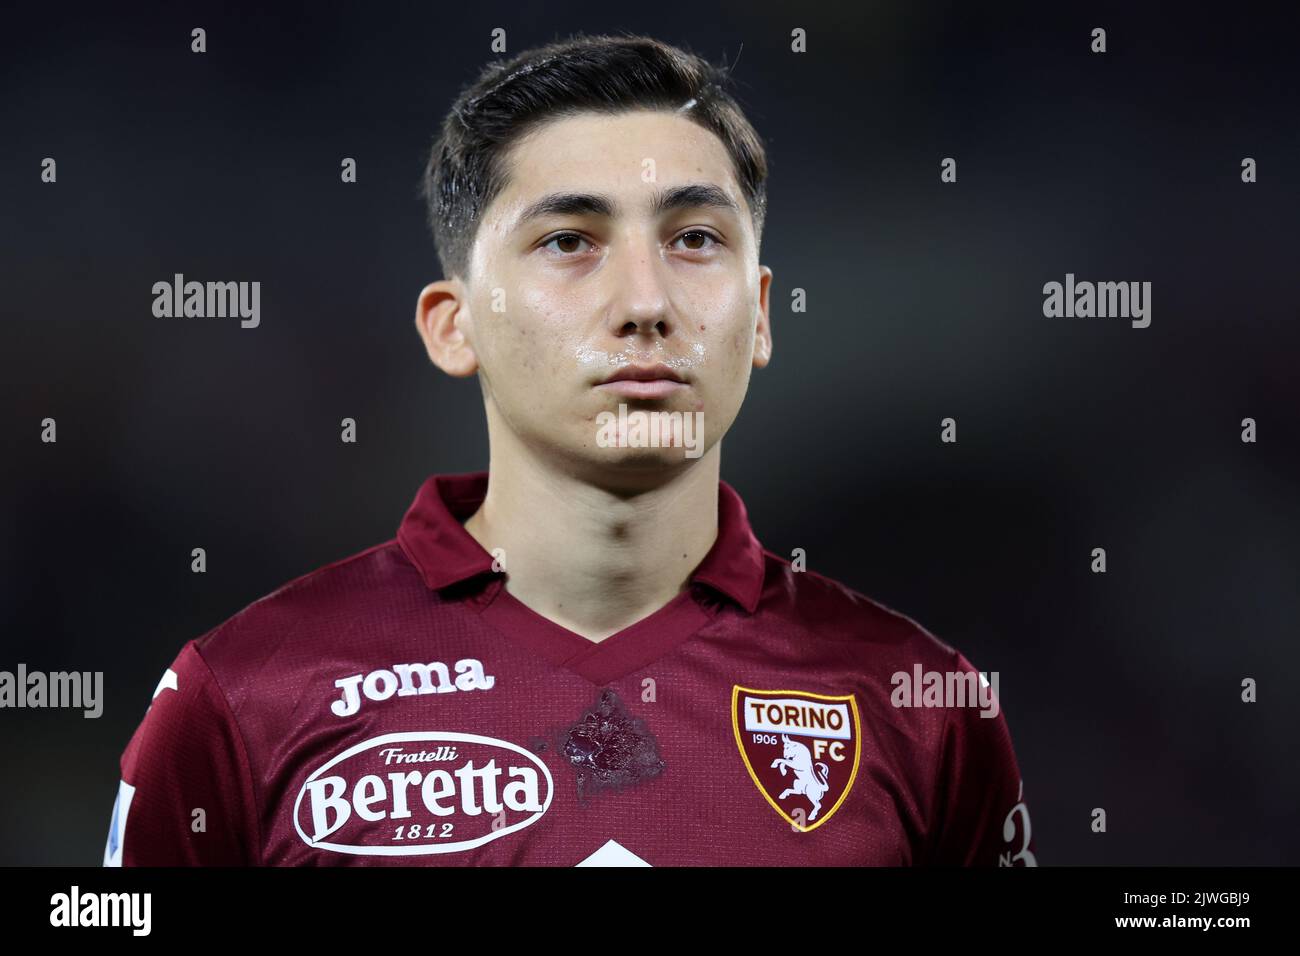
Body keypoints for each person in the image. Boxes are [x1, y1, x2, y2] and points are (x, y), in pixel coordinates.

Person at [104, 33, 1036, 866]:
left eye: (695, 238)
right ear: (453, 324)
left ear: (759, 314)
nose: (646, 301)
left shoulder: (924, 707)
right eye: (569, 241)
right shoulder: (241, 697)